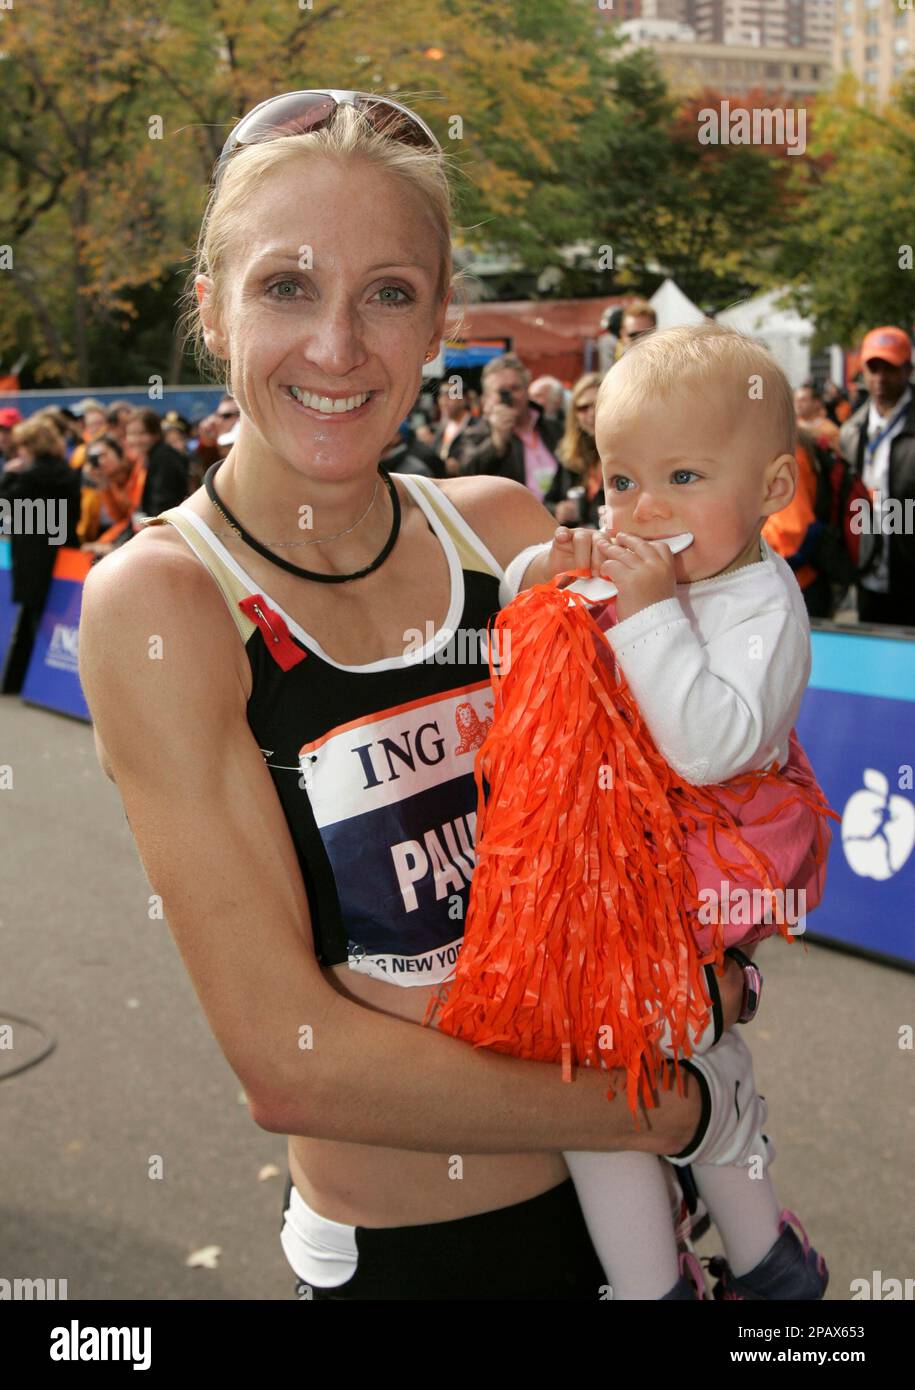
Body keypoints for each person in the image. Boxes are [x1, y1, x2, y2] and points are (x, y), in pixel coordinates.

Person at [78, 90, 755, 1302]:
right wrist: (675, 1101)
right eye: (287, 286)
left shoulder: (504, 533)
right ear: (211, 306)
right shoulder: (164, 603)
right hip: (427, 1261)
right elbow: (296, 1065)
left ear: (441, 316)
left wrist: (714, 968)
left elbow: (655, 831)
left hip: (643, 1218)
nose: (338, 347)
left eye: (388, 292)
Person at [481, 323, 830, 1299]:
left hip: (692, 883)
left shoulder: (764, 607)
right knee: (603, 1099)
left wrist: (641, 615)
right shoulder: (658, 571)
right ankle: (684, 1277)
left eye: (682, 478)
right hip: (624, 880)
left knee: (648, 1079)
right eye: (623, 481)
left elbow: (708, 741)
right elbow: (544, 609)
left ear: (769, 491)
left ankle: (763, 1262)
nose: (644, 509)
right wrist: (540, 575)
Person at [838, 326, 915, 628]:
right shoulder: (851, 431)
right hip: (867, 576)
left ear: (907, 369)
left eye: (890, 368)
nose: (880, 377)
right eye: (873, 367)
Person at [0, 414, 81, 691]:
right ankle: (38, 682)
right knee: (54, 618)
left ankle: (26, 681)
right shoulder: (68, 474)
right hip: (63, 554)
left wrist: (9, 474)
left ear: (31, 446)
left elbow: (5, 509)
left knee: (33, 617)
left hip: (32, 557)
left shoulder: (29, 477)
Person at [454, 353, 564, 503]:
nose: (510, 397)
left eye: (515, 388)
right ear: (487, 397)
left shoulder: (554, 428)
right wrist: (497, 441)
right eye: (502, 391)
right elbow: (467, 476)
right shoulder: (476, 433)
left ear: (527, 390)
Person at [547, 371, 605, 528]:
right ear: (575, 415)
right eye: (583, 408)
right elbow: (546, 502)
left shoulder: (627, 455)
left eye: (598, 404)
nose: (591, 413)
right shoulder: (569, 455)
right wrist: (557, 510)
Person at [78, 432, 148, 556]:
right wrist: (102, 485)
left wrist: (113, 545)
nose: (100, 462)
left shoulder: (140, 470)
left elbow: (135, 514)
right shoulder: (109, 479)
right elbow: (119, 517)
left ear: (119, 452)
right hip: (131, 533)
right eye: (94, 459)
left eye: (103, 455)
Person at [125, 407, 190, 518]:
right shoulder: (149, 456)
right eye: (131, 434)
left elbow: (163, 504)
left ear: (156, 433)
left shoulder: (164, 458)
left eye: (142, 433)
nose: (136, 439)